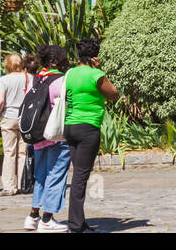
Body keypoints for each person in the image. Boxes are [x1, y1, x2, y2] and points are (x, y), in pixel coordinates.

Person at [64, 38, 119, 233]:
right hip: (88, 127)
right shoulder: (96, 74)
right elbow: (113, 93)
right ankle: (75, 225)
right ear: (95, 56)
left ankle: (79, 221)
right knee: (80, 176)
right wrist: (99, 70)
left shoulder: (70, 73)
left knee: (79, 174)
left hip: (70, 126)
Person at [25, 45, 71, 232]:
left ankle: (33, 216)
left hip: (38, 134)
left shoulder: (36, 79)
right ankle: (47, 219)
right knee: (56, 174)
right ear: (55, 61)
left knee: (41, 176)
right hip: (56, 134)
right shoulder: (60, 80)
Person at [0, 53, 31, 196]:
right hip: (24, 117)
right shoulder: (28, 78)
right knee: (23, 152)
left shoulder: (4, 80)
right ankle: (23, 184)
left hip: (9, 116)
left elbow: (0, 101)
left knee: (9, 152)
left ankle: (9, 186)